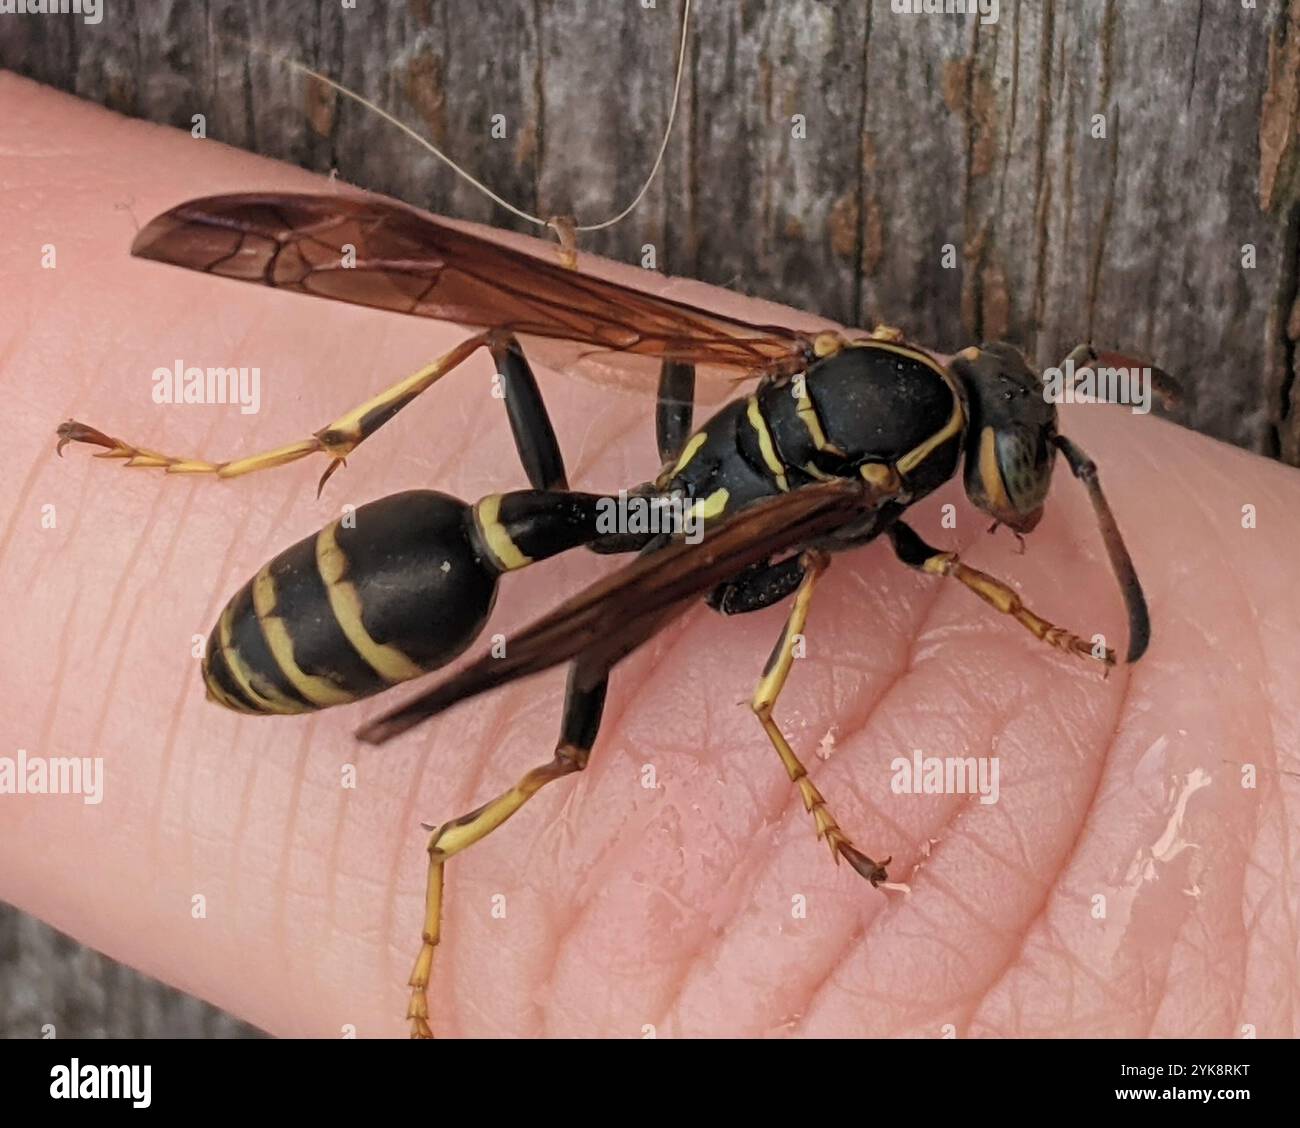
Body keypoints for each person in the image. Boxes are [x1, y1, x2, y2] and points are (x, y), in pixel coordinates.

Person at [2, 73, 1296, 1038]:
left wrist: (573, 288)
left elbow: (769, 516)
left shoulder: (807, 376)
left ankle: (252, 483)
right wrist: (842, 685)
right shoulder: (872, 500)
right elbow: (855, 562)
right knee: (581, 733)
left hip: (603, 526)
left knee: (503, 332)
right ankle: (447, 847)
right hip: (591, 550)